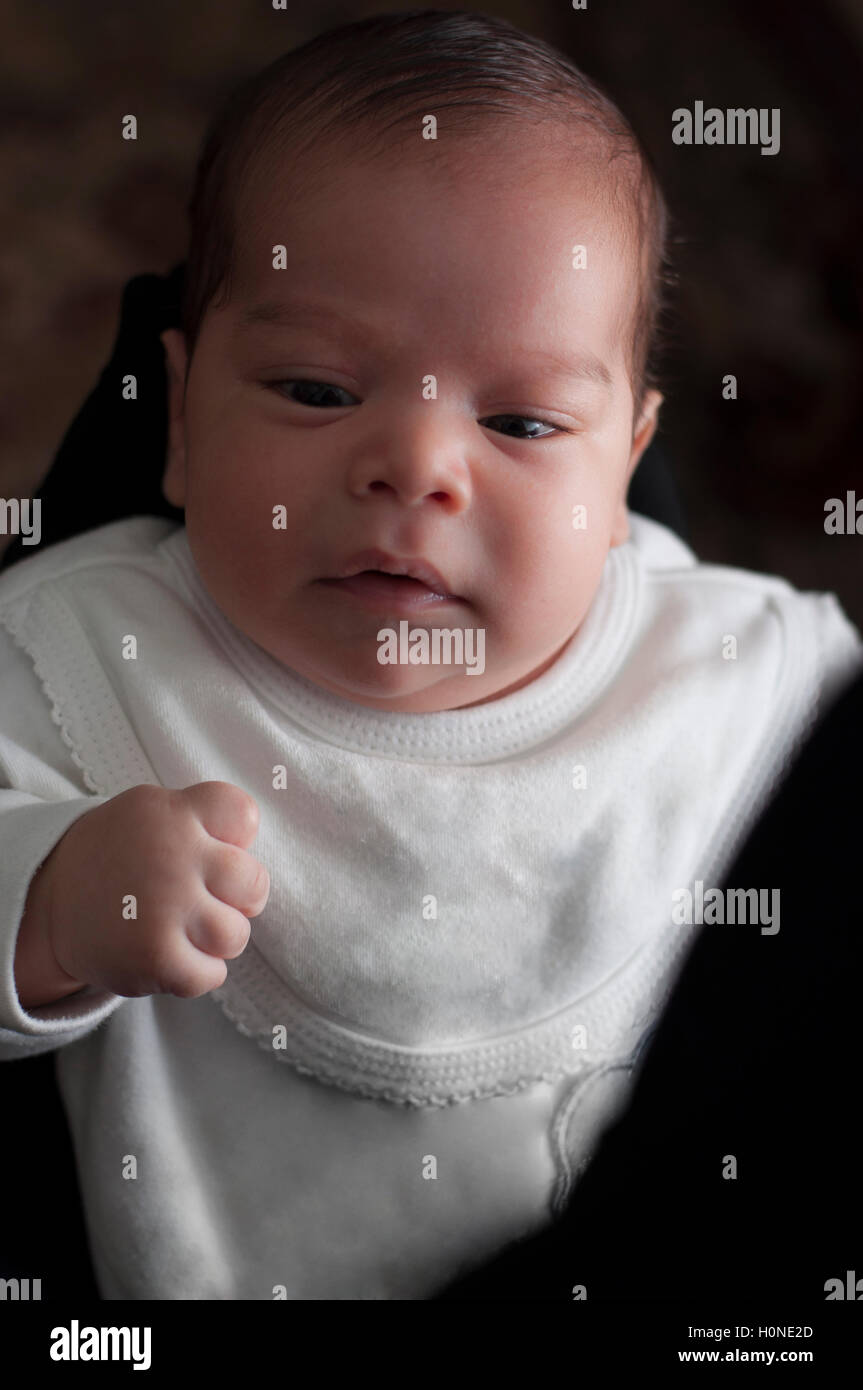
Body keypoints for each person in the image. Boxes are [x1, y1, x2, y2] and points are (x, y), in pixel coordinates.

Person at [0, 10, 859, 1301]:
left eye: (519, 419)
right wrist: (55, 901)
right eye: (315, 390)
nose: (415, 466)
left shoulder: (752, 671)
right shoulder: (84, 645)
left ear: (627, 466)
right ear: (177, 414)